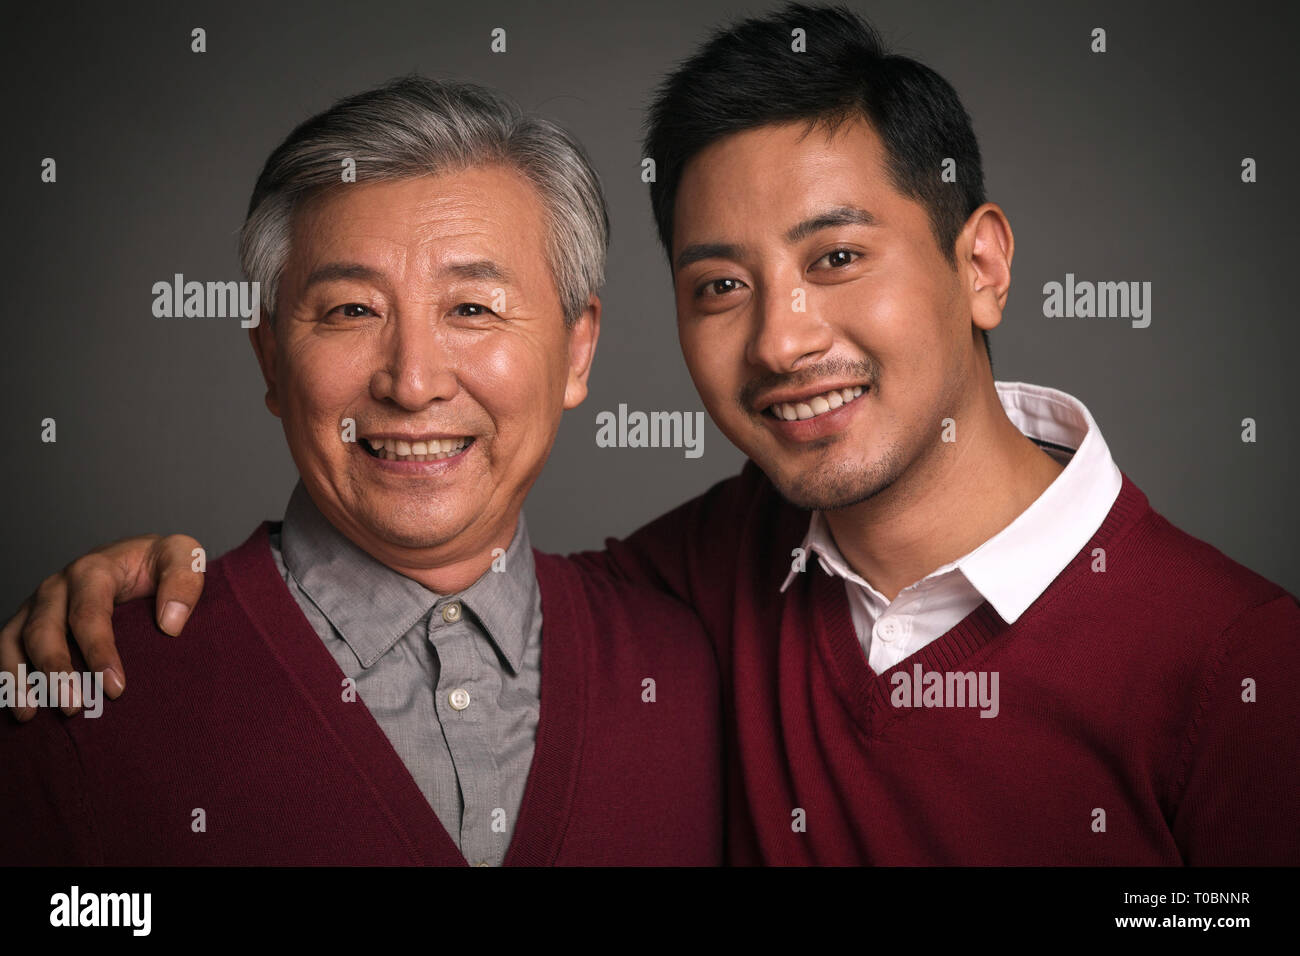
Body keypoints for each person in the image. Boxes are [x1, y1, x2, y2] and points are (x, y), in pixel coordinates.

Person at [7, 4, 1297, 865]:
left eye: (837, 255)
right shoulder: (699, 586)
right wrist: (106, 601)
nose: (784, 340)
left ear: (982, 265)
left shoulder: (1240, 670)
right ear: (268, 357)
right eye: (721, 284)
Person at [0, 77, 722, 866]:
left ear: (578, 350)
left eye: (473, 309)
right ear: (270, 355)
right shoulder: (87, 691)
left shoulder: (691, 668)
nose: (412, 383)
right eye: (351, 310)